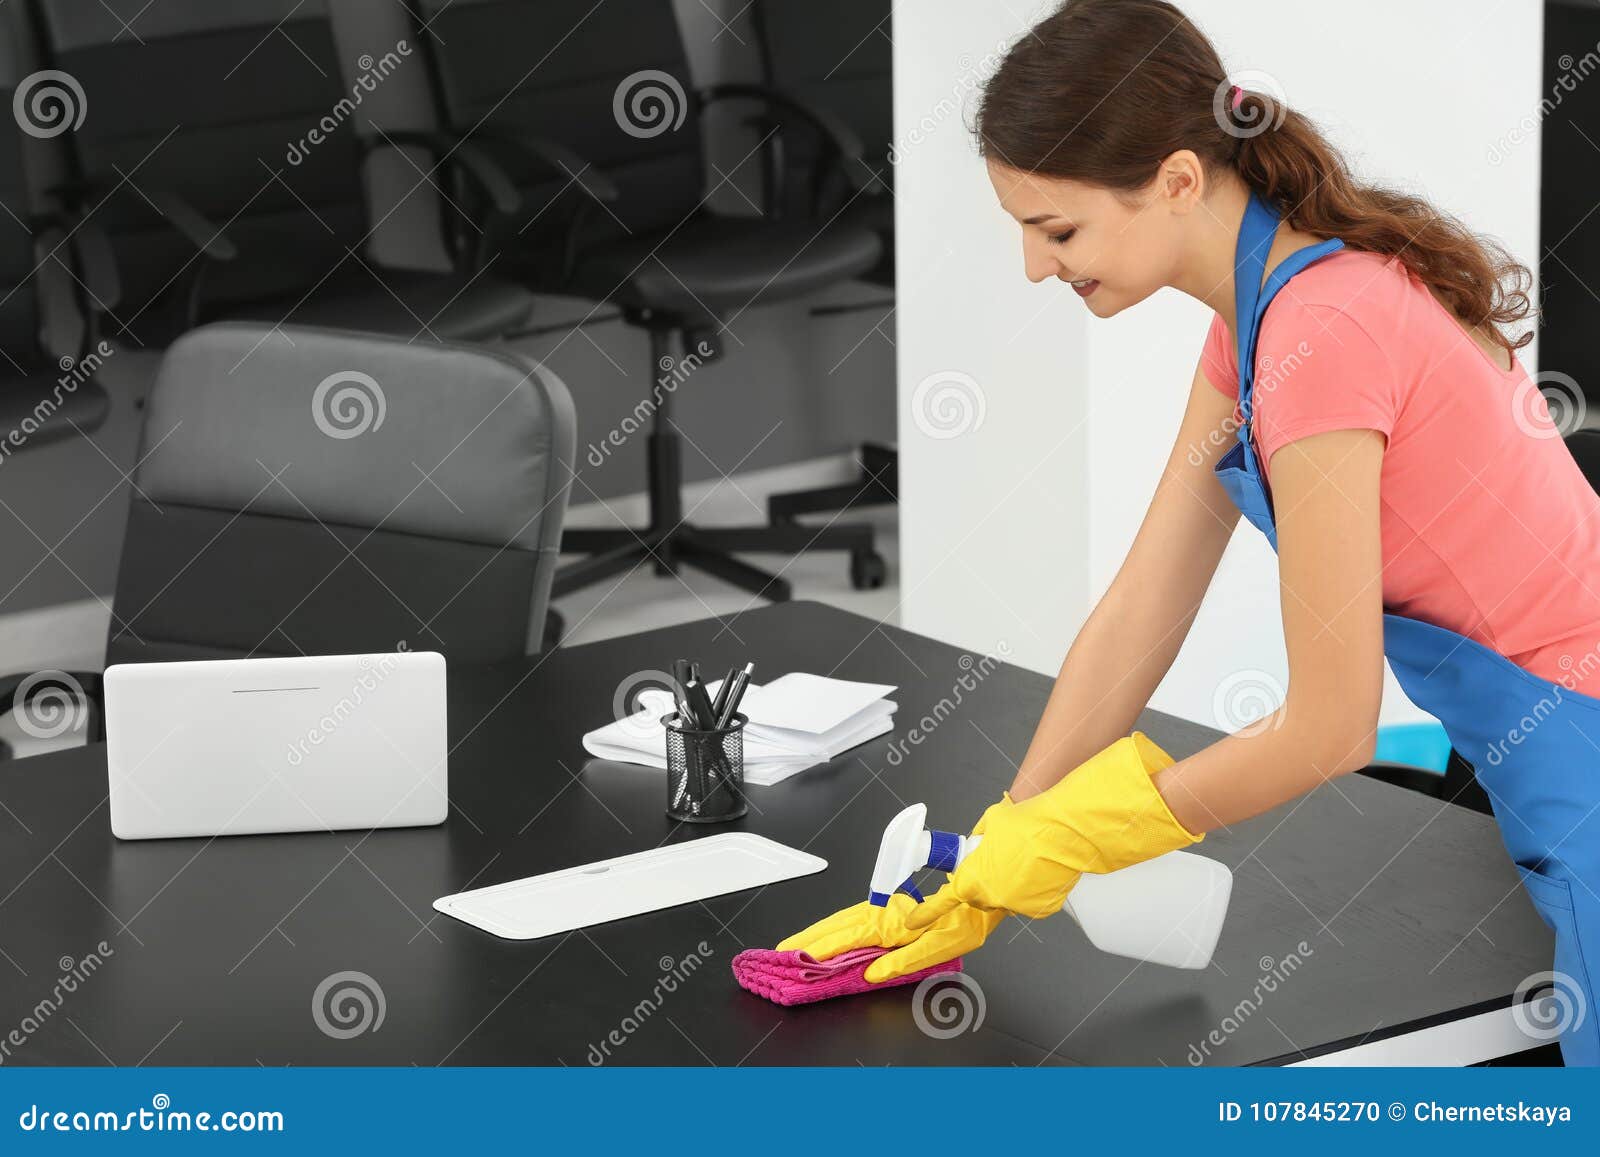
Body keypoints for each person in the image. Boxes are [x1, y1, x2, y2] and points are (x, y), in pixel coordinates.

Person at [778, 0, 1600, 1066]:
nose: (1034, 267)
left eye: (1056, 229)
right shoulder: (1257, 322)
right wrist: (994, 848)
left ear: (1175, 178)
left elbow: (1329, 728)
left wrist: (1079, 833)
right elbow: (1144, 603)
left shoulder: (1324, 334)